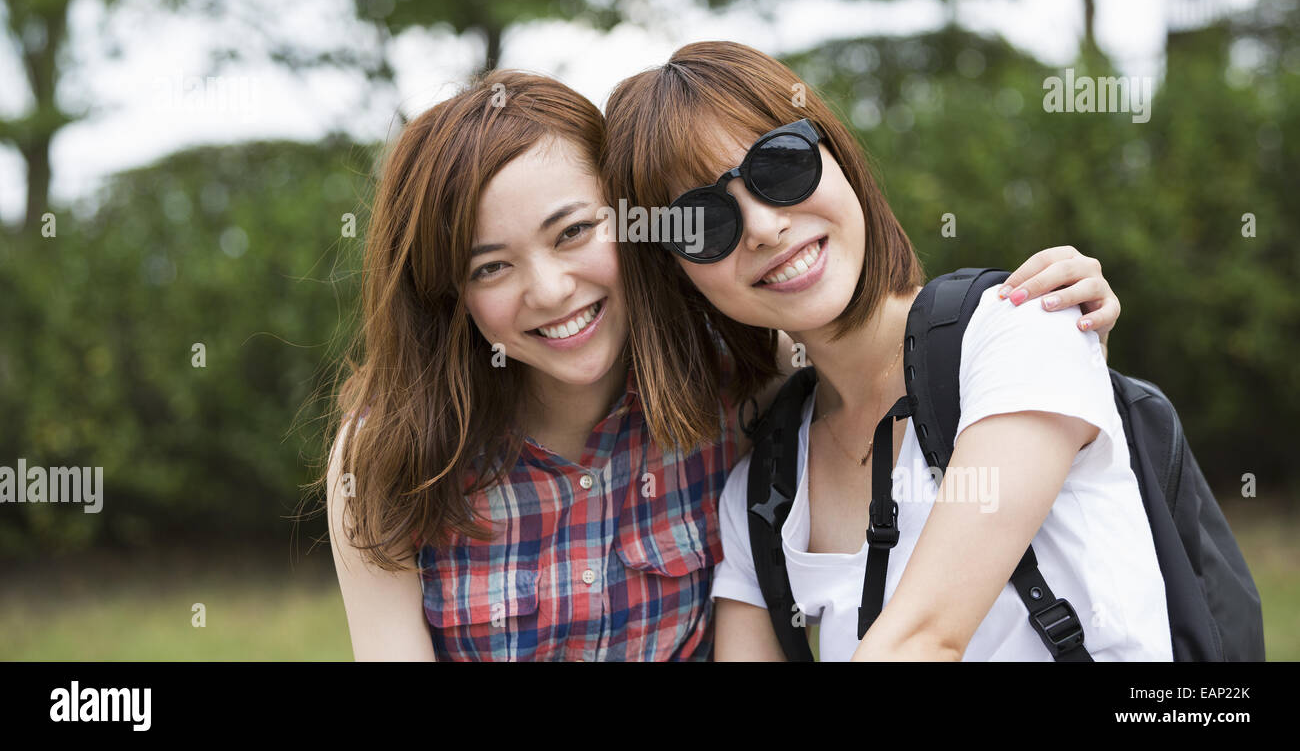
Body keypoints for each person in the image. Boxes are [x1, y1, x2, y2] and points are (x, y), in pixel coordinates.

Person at [322, 67, 1125, 660]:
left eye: (574, 233)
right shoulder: (391, 453)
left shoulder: (739, 386)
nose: (548, 289)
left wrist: (1038, 324)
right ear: (449, 296)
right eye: (489, 267)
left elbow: (864, 326)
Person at [601, 41, 1170, 661]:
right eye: (705, 222)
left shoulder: (1017, 331)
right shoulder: (760, 492)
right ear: (677, 274)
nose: (765, 228)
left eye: (781, 166)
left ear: (837, 153)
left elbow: (925, 640)